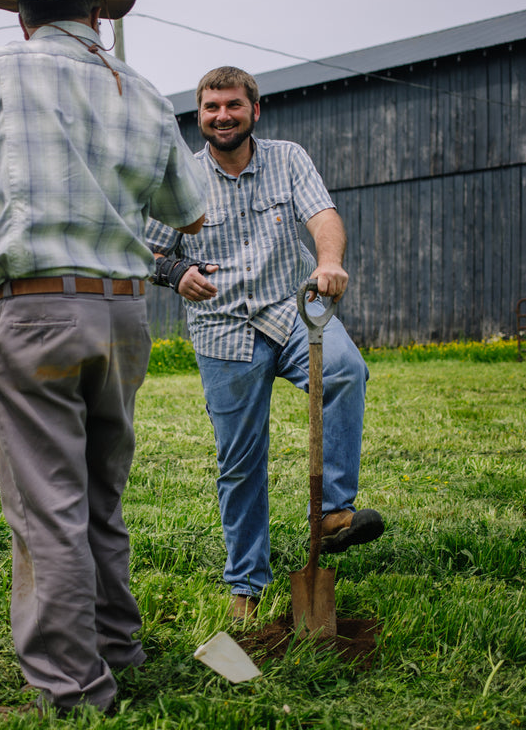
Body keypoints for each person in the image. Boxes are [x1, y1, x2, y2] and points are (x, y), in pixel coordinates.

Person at [0, 0, 207, 717]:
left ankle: (72, 687)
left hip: (38, 309)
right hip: (125, 314)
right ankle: (117, 645)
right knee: (101, 492)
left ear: (25, 14)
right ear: (97, 13)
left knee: (48, 503)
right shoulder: (141, 90)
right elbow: (191, 213)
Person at [146, 66, 383, 623]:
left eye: (233, 105)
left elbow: (323, 216)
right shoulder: (181, 178)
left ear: (255, 110)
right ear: (199, 115)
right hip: (222, 325)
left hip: (292, 306)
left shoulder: (288, 158)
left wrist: (328, 261)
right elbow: (145, 249)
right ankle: (246, 585)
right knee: (240, 460)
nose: (222, 115)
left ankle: (332, 513)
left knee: (345, 369)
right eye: (211, 107)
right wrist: (175, 272)